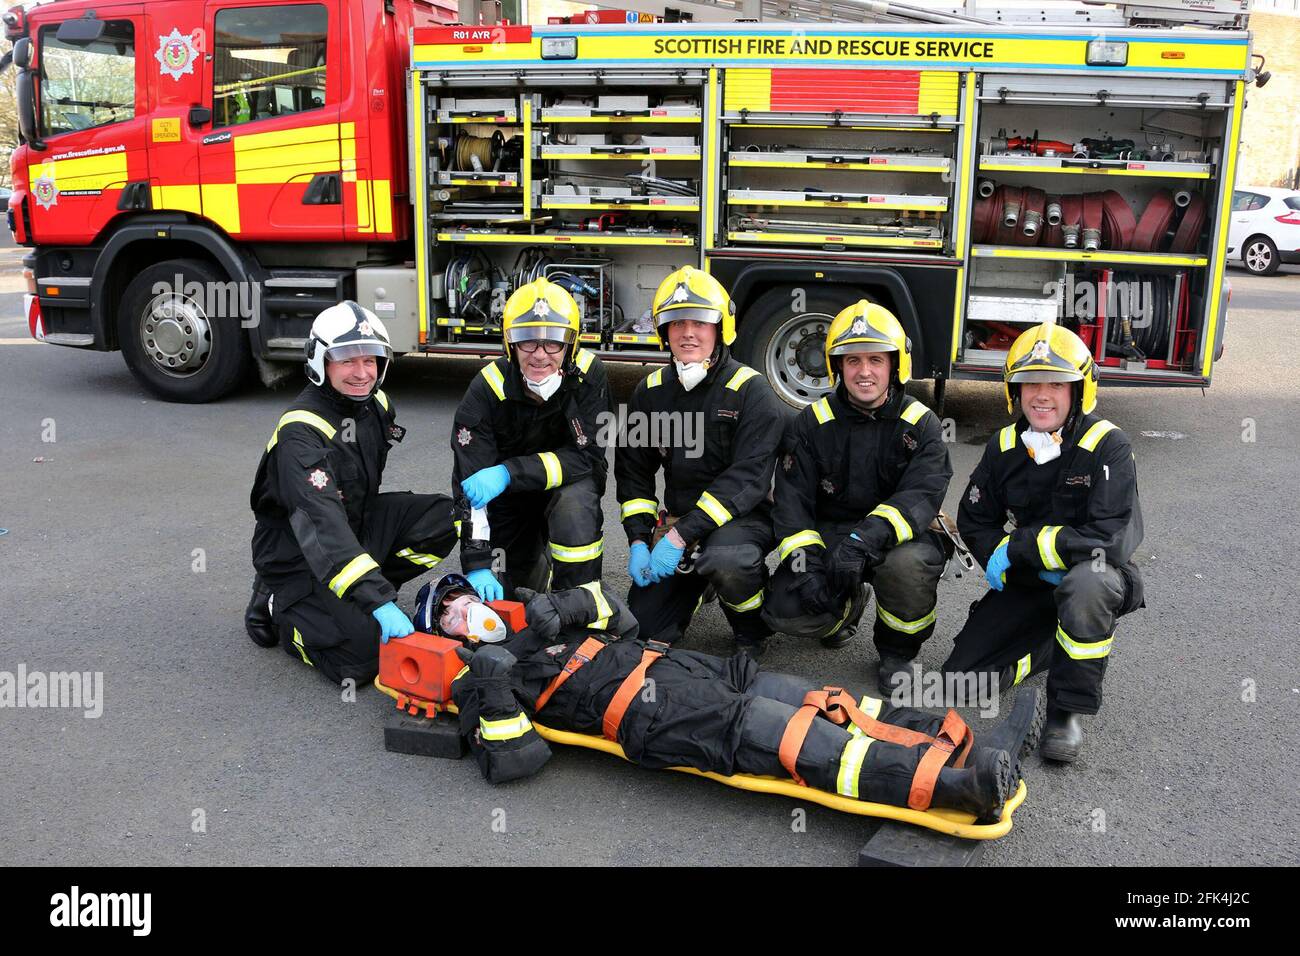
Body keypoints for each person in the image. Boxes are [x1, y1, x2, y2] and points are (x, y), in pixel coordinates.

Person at [413, 574, 1044, 819]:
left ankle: (947, 737)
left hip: (684, 668)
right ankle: (958, 788)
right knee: (788, 734)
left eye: (463, 599)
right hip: (653, 713)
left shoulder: (532, 619)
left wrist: (574, 602)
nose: (463, 613)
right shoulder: (483, 677)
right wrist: (493, 682)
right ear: (442, 638)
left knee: (822, 699)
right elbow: (515, 761)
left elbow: (631, 625)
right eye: (447, 616)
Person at [944, 323, 1145, 762]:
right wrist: (1003, 555)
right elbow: (975, 519)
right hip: (1032, 581)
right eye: (1030, 382)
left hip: (1094, 576)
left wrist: (1020, 546)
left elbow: (1107, 541)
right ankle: (1049, 646)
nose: (1041, 395)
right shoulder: (1004, 445)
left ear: (1079, 389)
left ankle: (1066, 711)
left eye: (1055, 383)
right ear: (1014, 390)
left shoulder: (1108, 445)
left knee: (1087, 585)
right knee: (960, 679)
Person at [245, 301, 457, 683]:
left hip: (353, 526)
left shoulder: (375, 404)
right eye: (347, 361)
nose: (362, 373)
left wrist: (374, 591)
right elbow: (322, 526)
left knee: (445, 519)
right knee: (361, 660)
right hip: (299, 553)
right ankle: (277, 605)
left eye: (370, 360)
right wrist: (379, 603)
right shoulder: (301, 433)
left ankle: (357, 593)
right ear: (320, 362)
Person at [764, 301, 953, 693]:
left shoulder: (922, 424)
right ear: (837, 367)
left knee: (908, 568)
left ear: (894, 365)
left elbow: (921, 495)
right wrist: (809, 565)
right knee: (786, 610)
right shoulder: (812, 423)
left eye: (875, 360)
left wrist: (863, 541)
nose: (864, 372)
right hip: (833, 533)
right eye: (852, 361)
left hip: (900, 539)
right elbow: (792, 502)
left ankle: (897, 652)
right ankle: (846, 609)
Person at [614, 266, 785, 655]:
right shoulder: (651, 392)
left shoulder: (750, 391)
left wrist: (678, 536)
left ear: (720, 328)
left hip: (744, 519)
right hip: (682, 524)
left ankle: (749, 629)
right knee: (645, 628)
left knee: (727, 558)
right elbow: (634, 473)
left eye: (699, 322)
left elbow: (748, 480)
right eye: (676, 323)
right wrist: (640, 539)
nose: (687, 332)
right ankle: (699, 579)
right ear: (664, 333)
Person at [450, 278, 611, 602]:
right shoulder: (488, 388)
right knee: (512, 598)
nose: (540, 355)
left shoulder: (589, 374)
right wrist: (478, 561)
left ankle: (578, 598)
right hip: (510, 501)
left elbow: (589, 458)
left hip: (566, 485)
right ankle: (540, 565)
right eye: (527, 342)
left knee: (574, 505)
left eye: (553, 343)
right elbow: (469, 482)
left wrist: (509, 471)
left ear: (571, 345)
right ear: (510, 344)